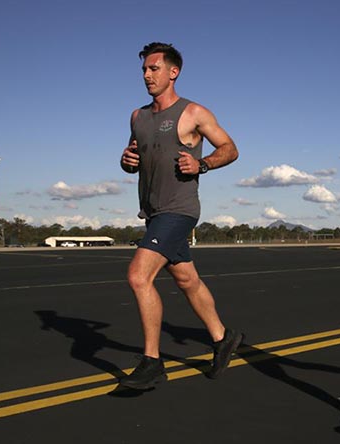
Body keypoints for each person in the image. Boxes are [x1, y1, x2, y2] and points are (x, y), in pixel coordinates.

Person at [118, 42, 243, 390]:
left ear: (173, 72)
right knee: (186, 279)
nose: (146, 75)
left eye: (154, 69)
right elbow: (136, 156)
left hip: (179, 210)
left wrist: (201, 163)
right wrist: (127, 162)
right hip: (153, 211)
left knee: (138, 277)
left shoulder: (193, 113)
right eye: (144, 69)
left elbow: (230, 149)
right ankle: (223, 337)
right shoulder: (137, 117)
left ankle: (152, 362)